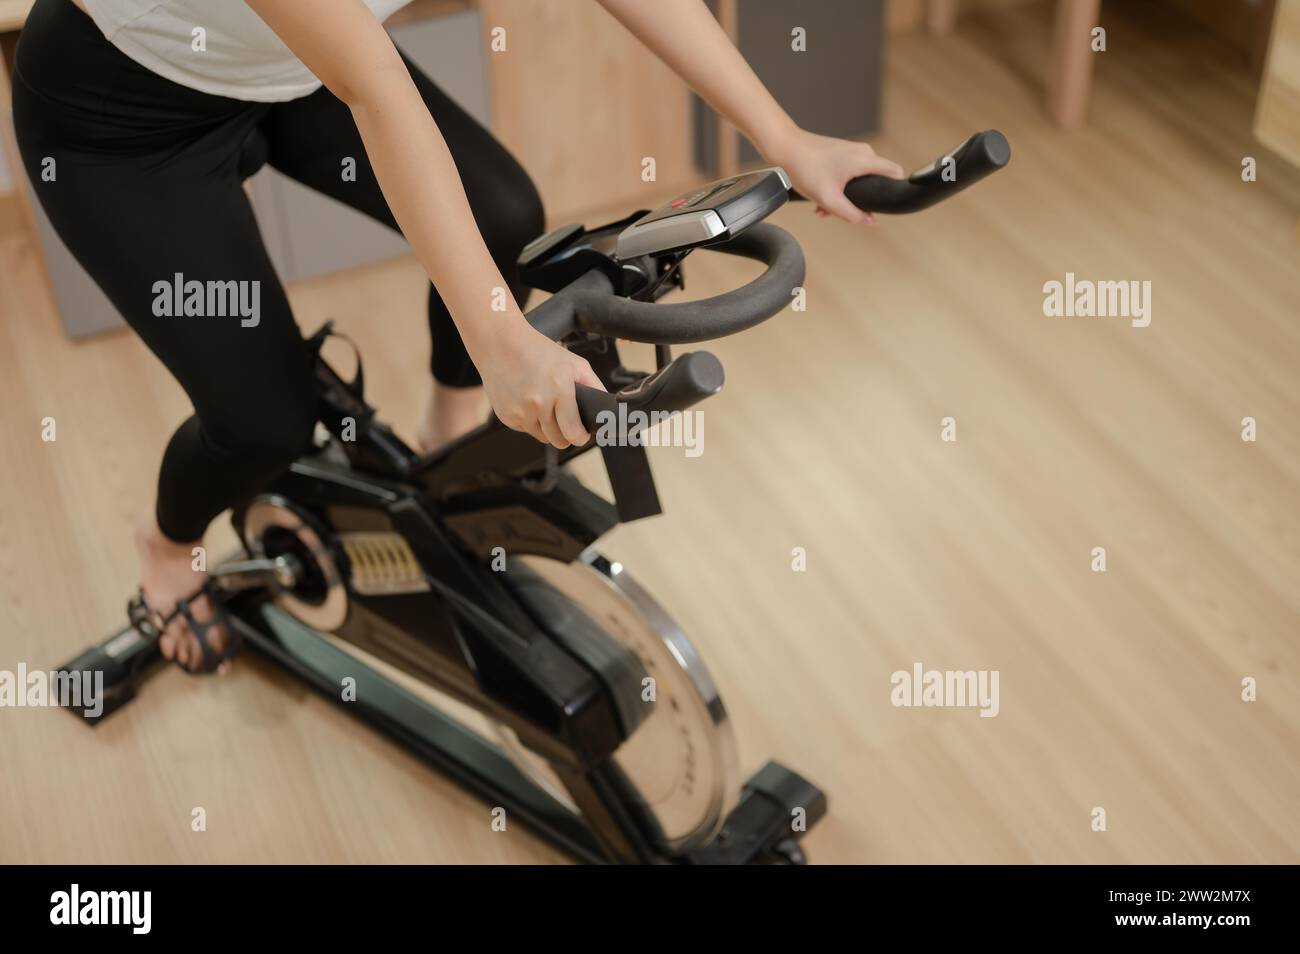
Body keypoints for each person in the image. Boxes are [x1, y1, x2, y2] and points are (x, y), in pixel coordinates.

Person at [12, 0, 903, 672]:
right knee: (263, 422)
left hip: (293, 65)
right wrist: (500, 339)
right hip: (124, 124)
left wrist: (785, 139)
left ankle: (446, 429)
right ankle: (163, 547)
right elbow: (373, 88)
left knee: (504, 216)